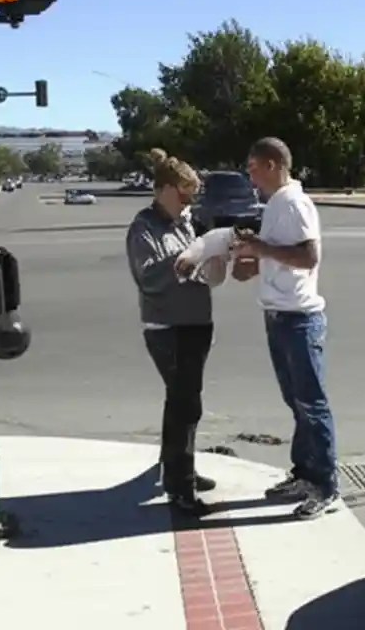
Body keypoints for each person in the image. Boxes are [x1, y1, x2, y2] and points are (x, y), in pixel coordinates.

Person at [230, 137, 338, 520]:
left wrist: (261, 250)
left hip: (299, 319)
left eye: (253, 166)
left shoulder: (294, 203)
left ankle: (325, 486)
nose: (250, 174)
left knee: (313, 404)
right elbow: (276, 253)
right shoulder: (275, 204)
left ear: (273, 164)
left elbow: (309, 256)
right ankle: (304, 474)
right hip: (278, 316)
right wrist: (251, 260)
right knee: (297, 403)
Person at [125, 148, 226, 515]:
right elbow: (149, 277)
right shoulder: (143, 228)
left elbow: (205, 265)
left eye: (193, 194)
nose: (190, 200)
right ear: (165, 189)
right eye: (185, 193)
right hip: (167, 327)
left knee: (186, 401)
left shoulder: (186, 222)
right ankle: (180, 488)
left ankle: (181, 469)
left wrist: (213, 252)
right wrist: (184, 260)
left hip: (196, 323)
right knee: (184, 403)